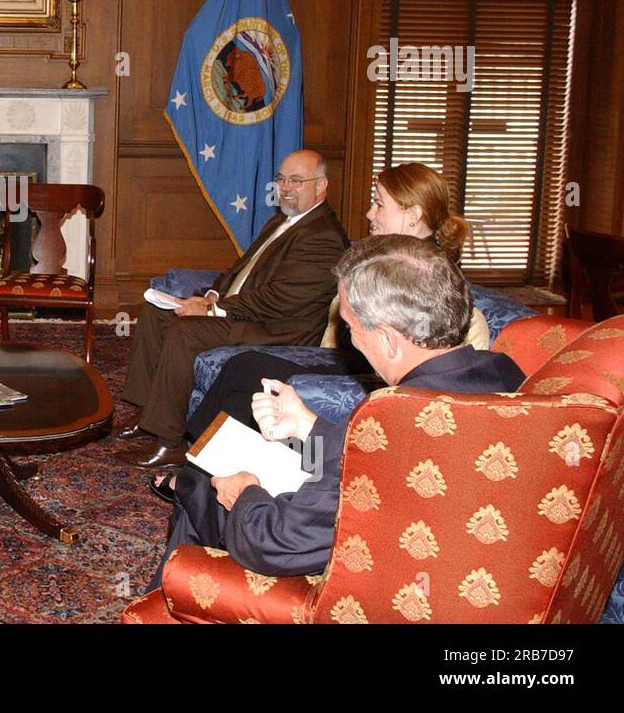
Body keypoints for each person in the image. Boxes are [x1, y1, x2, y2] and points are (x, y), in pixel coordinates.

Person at [148, 234, 526, 585]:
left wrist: (245, 493)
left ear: (389, 341)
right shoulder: (505, 372)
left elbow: (276, 545)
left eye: (349, 327)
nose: (349, 340)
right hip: (458, 558)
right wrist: (309, 428)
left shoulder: (388, 419)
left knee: (200, 488)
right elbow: (364, 464)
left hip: (362, 587)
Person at [177, 161, 473, 452]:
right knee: (244, 367)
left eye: (380, 204)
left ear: (413, 215)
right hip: (348, 359)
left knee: (251, 376)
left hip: (369, 373)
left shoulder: (428, 272)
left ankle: (196, 467)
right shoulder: (388, 255)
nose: (370, 212)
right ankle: (196, 458)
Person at [115, 149, 349, 469]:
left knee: (187, 330)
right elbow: (240, 271)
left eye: (296, 180)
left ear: (321, 186)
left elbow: (281, 299)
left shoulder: (324, 237)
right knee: (157, 312)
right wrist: (210, 297)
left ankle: (170, 442)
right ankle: (148, 414)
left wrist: (215, 311)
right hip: (244, 312)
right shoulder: (282, 220)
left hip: (276, 329)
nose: (286, 187)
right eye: (281, 179)